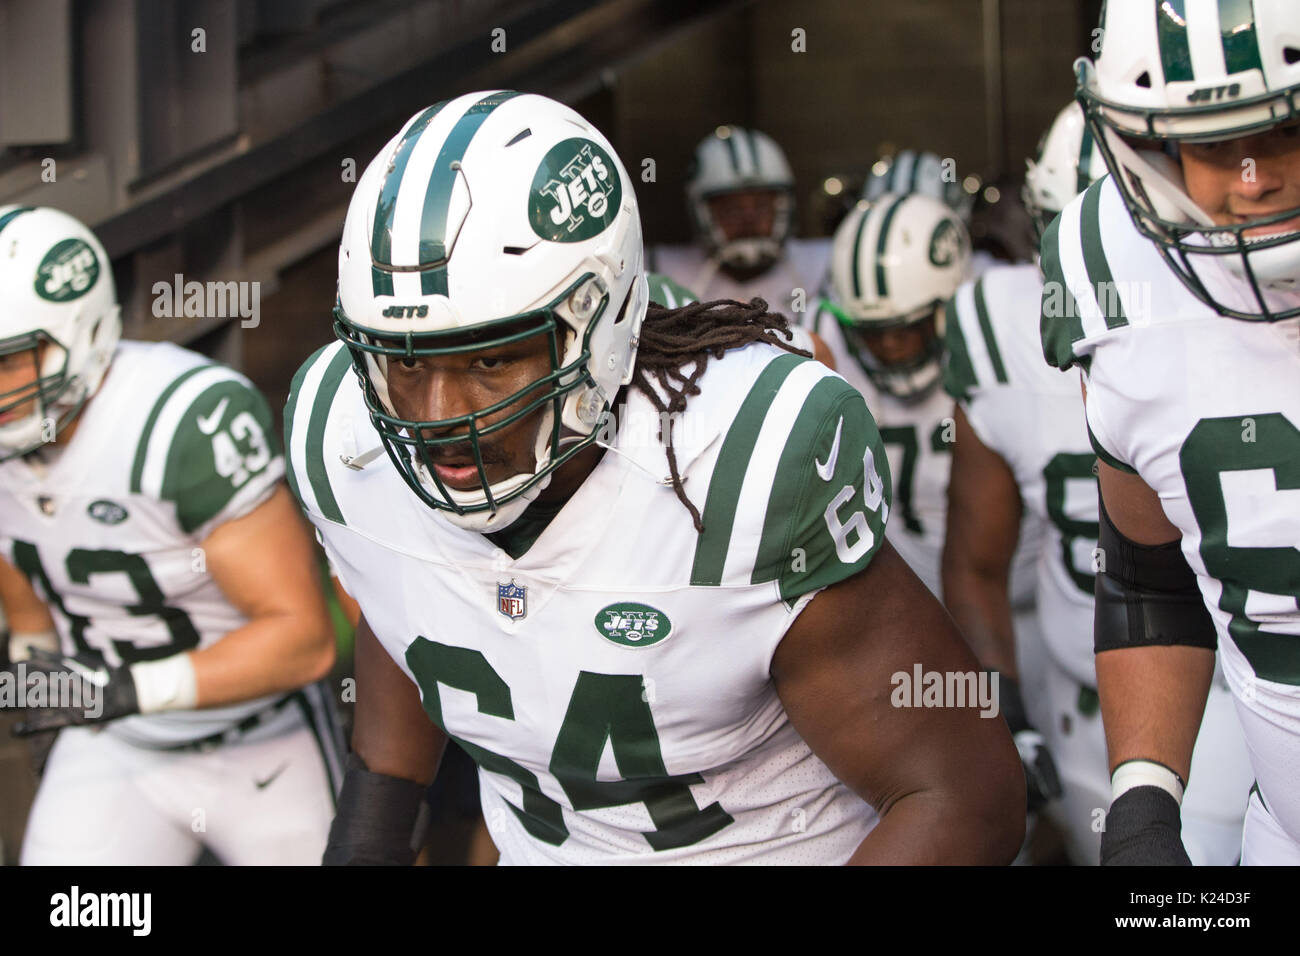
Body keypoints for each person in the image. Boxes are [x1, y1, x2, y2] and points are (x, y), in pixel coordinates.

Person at [287, 90, 1024, 865]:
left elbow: (966, 799)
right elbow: (407, 597)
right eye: (405, 361)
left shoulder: (730, 466)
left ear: (596, 328)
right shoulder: (342, 434)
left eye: (490, 359)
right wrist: (369, 831)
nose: (436, 419)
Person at [943, 102, 1251, 865]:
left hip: (1240, 704)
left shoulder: (1257, 318)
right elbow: (976, 561)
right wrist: (1004, 708)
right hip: (1084, 704)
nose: (1102, 269)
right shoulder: (993, 326)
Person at [0, 205, 342, 864]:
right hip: (114, 741)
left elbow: (304, 640)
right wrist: (36, 662)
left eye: (13, 358)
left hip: (258, 741)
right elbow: (20, 561)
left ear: (83, 331)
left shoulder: (179, 423)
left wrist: (122, 689)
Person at [1043, 0, 1300, 864]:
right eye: (1213, 145)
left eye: (1283, 133)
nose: (1254, 179)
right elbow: (1151, 572)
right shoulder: (1108, 270)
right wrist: (1144, 803)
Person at [651, 125, 833, 353]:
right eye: (731, 209)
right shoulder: (661, 271)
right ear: (701, 212)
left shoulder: (824, 266)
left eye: (761, 206)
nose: (749, 219)